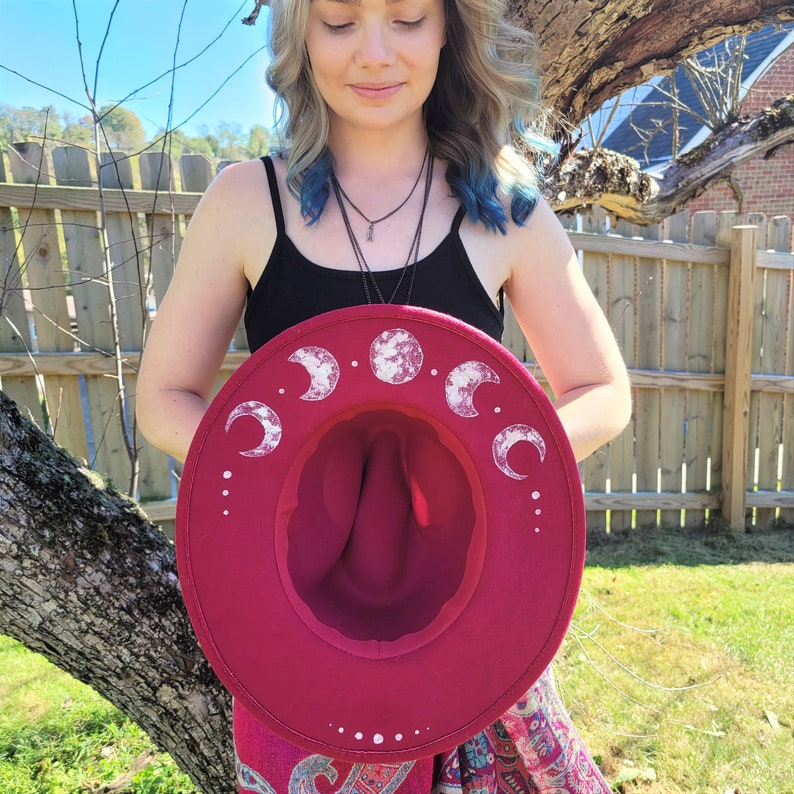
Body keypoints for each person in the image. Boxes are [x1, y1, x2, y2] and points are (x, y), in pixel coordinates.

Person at [136, 0, 632, 790]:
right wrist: (284, 465)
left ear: (448, 30)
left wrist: (489, 467)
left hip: (464, 606)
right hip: (295, 612)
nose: (374, 53)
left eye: (406, 19)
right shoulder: (244, 203)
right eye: (338, 22)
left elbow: (604, 390)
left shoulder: (503, 208)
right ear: (299, 35)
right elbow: (163, 396)